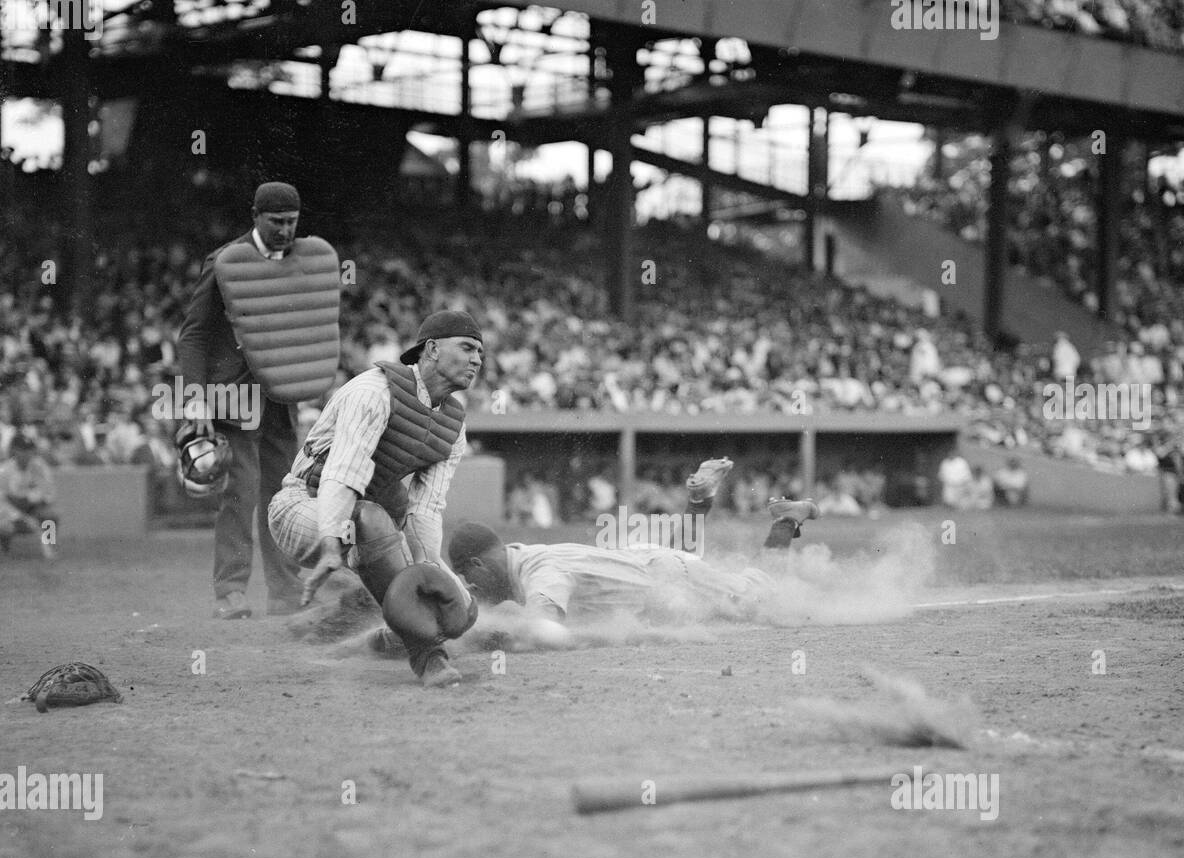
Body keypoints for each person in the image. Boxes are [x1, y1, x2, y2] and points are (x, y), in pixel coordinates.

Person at [267, 310, 484, 687]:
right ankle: (427, 656)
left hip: (369, 521)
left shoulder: (453, 425)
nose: (477, 359)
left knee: (462, 610)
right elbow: (341, 474)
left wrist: (430, 571)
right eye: (467, 348)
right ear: (432, 349)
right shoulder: (374, 391)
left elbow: (425, 511)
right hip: (303, 506)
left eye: (480, 352)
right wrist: (331, 543)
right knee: (368, 520)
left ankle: (376, 634)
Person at [444, 458, 819, 650]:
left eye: (467, 578)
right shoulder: (520, 556)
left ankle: (787, 519)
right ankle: (699, 500)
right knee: (677, 566)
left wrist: (500, 636)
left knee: (763, 598)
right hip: (644, 567)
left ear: (478, 563)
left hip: (666, 579)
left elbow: (546, 631)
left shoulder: (540, 571)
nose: (471, 587)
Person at [177, 181, 324, 619]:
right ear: (256, 216)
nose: (285, 230)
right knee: (240, 492)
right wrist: (195, 398)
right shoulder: (225, 261)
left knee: (284, 495)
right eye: (276, 221)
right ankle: (230, 592)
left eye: (292, 222)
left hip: (279, 396)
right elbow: (194, 334)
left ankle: (285, 591)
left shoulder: (299, 263)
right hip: (233, 394)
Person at [0, 434, 59, 559]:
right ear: (14, 451)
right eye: (23, 450)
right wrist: (21, 517)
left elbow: (49, 493)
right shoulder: (5, 471)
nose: (27, 454)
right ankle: (4, 549)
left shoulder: (39, 466)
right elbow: (3, 502)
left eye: (29, 449)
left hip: (33, 508)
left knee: (51, 515)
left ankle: (49, 547)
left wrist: (34, 501)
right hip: (10, 510)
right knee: (5, 527)